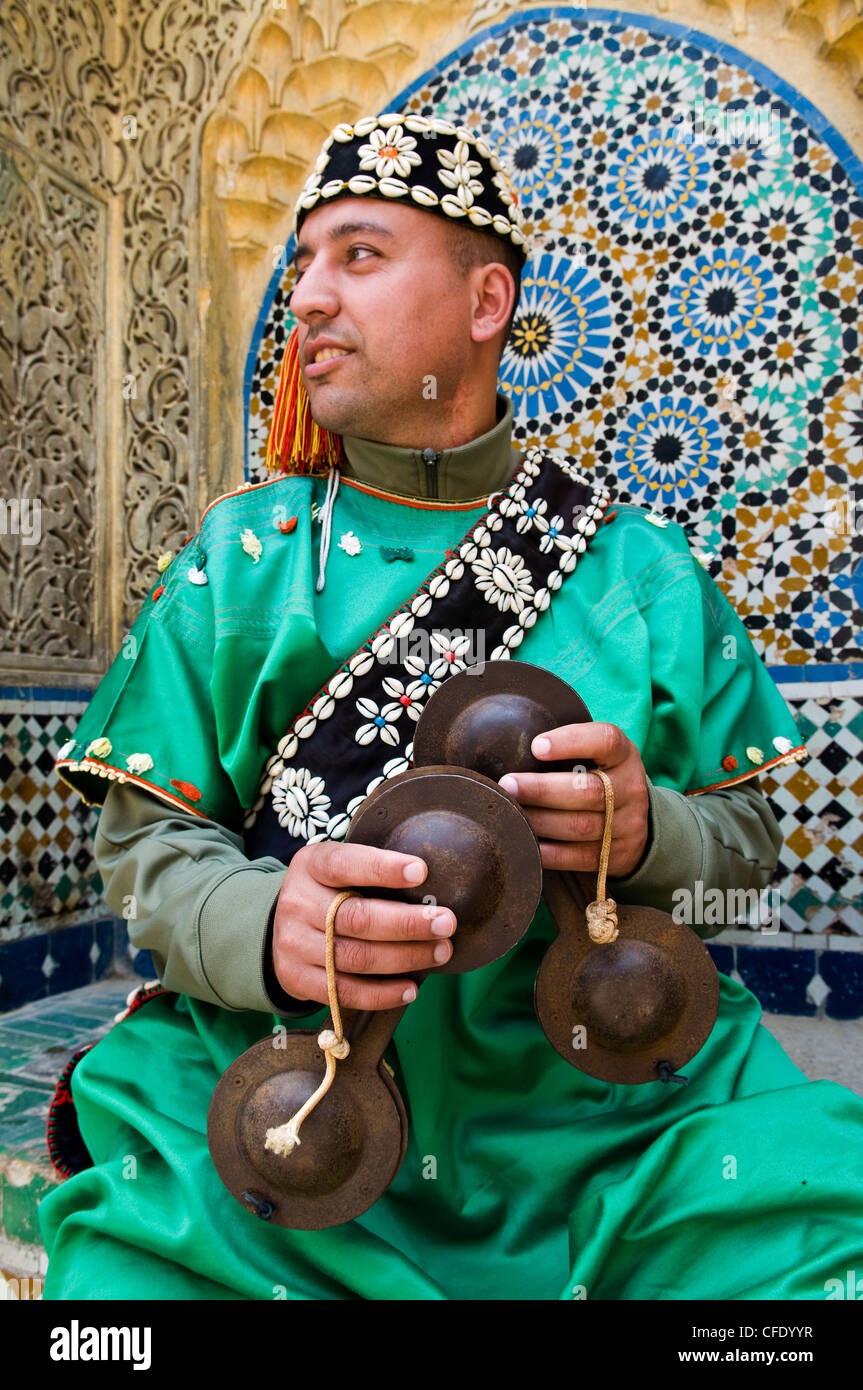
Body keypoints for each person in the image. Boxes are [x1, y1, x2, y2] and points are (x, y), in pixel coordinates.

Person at [39, 112, 863, 1300]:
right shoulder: (245, 558)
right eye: (303, 261)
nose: (308, 297)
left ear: (485, 305)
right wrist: (263, 920)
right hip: (293, 1098)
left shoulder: (642, 572)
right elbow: (142, 846)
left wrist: (645, 835)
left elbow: (742, 845)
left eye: (359, 255)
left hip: (609, 1114)